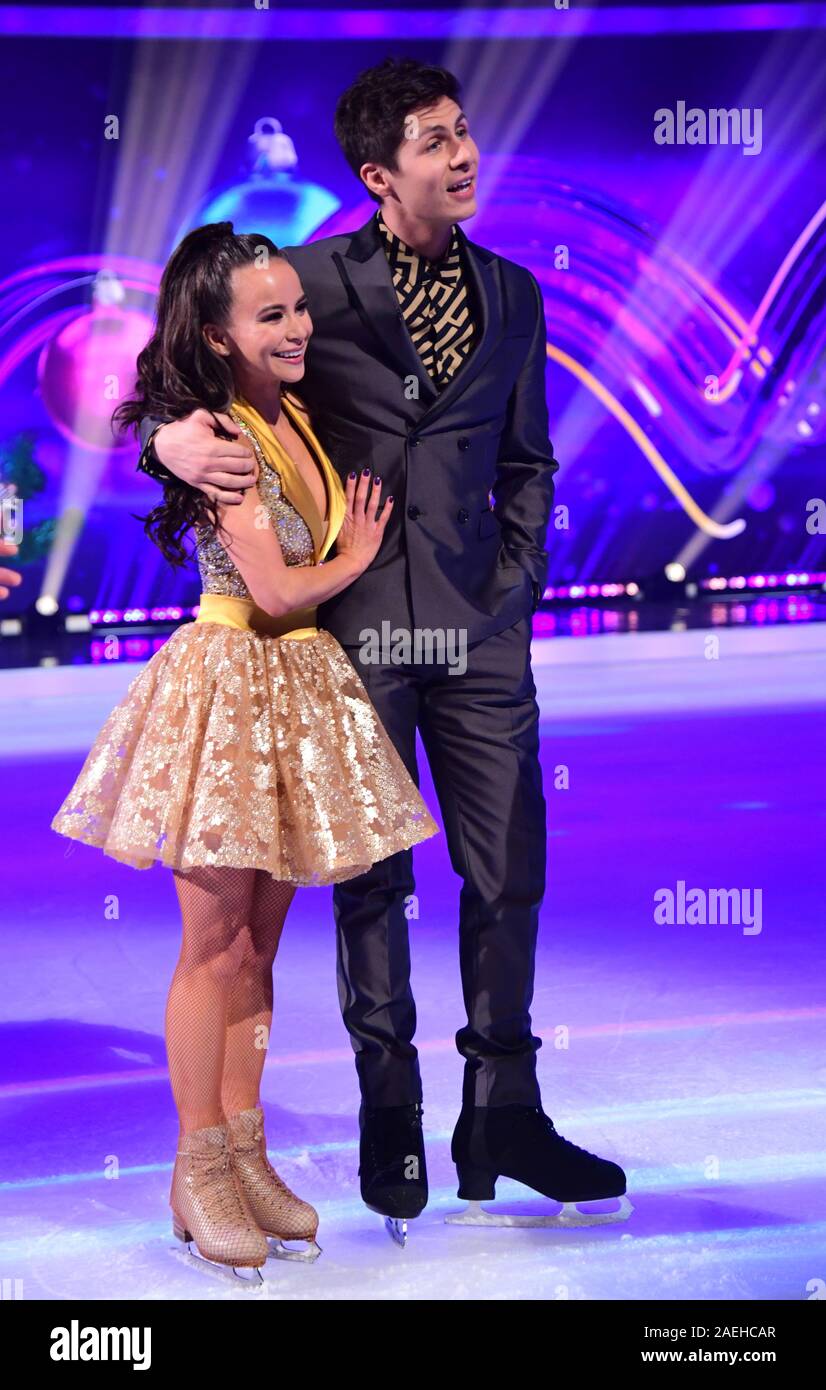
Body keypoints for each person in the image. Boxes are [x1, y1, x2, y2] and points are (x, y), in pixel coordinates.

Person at [135, 58, 627, 1236]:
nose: (463, 155)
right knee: (368, 881)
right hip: (347, 637)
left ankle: (503, 1109)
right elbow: (191, 354)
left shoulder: (513, 293)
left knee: (509, 871)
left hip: (482, 631)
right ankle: (389, 1112)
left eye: (467, 132)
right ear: (376, 173)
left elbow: (527, 460)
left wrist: (511, 588)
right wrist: (166, 440)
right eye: (435, 141)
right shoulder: (307, 282)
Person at [50, 222, 440, 1278]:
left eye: (296, 308)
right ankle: (196, 1167)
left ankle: (243, 1145)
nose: (297, 326)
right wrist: (355, 553)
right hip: (230, 686)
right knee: (214, 946)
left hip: (295, 688)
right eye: (270, 315)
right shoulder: (216, 433)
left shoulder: (298, 413)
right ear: (217, 337)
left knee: (259, 950)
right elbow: (272, 589)